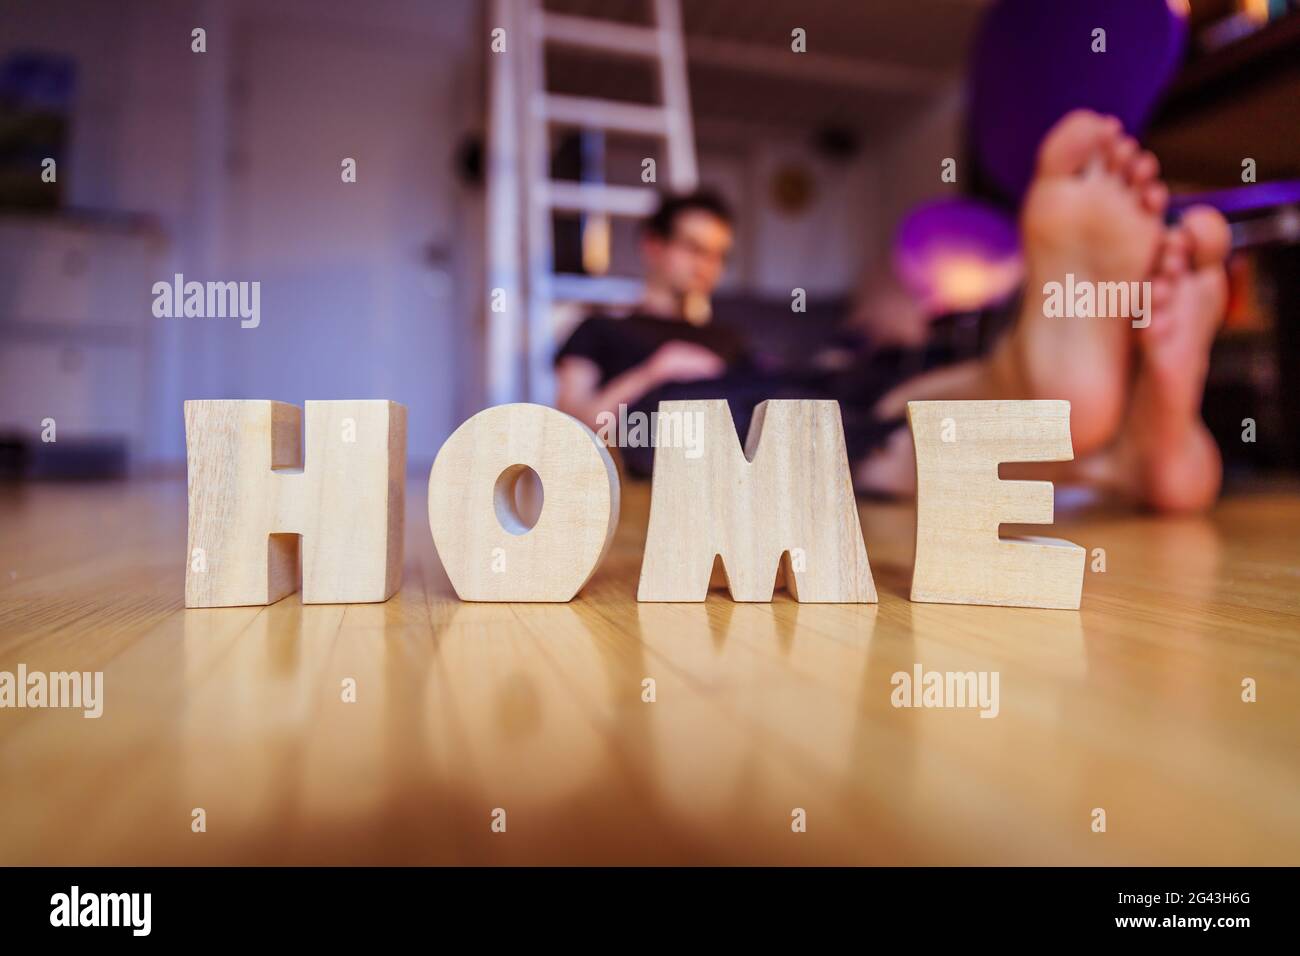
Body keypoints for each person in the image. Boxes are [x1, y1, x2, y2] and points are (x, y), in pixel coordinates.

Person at [555, 110, 1228, 513]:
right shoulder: (601, 328)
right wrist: (651, 375)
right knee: (771, 432)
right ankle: (1108, 455)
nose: (706, 266)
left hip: (786, 384)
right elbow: (574, 432)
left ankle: (1030, 388)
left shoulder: (728, 331)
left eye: (717, 253)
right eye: (693, 250)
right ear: (651, 246)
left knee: (877, 382)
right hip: (676, 408)